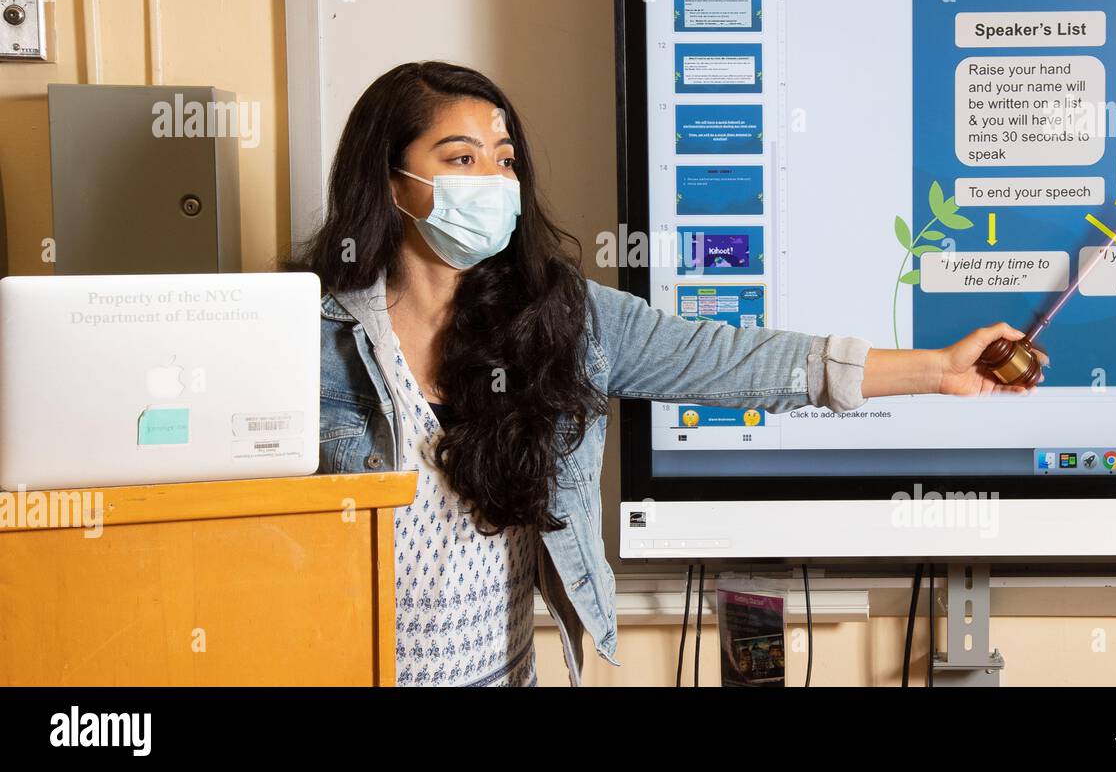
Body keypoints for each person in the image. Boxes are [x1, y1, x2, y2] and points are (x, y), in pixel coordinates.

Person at [292, 60, 1037, 687]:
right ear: (389, 181)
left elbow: (731, 359)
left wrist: (936, 369)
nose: (492, 179)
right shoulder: (304, 332)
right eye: (461, 159)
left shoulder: (560, 316)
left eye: (504, 158)